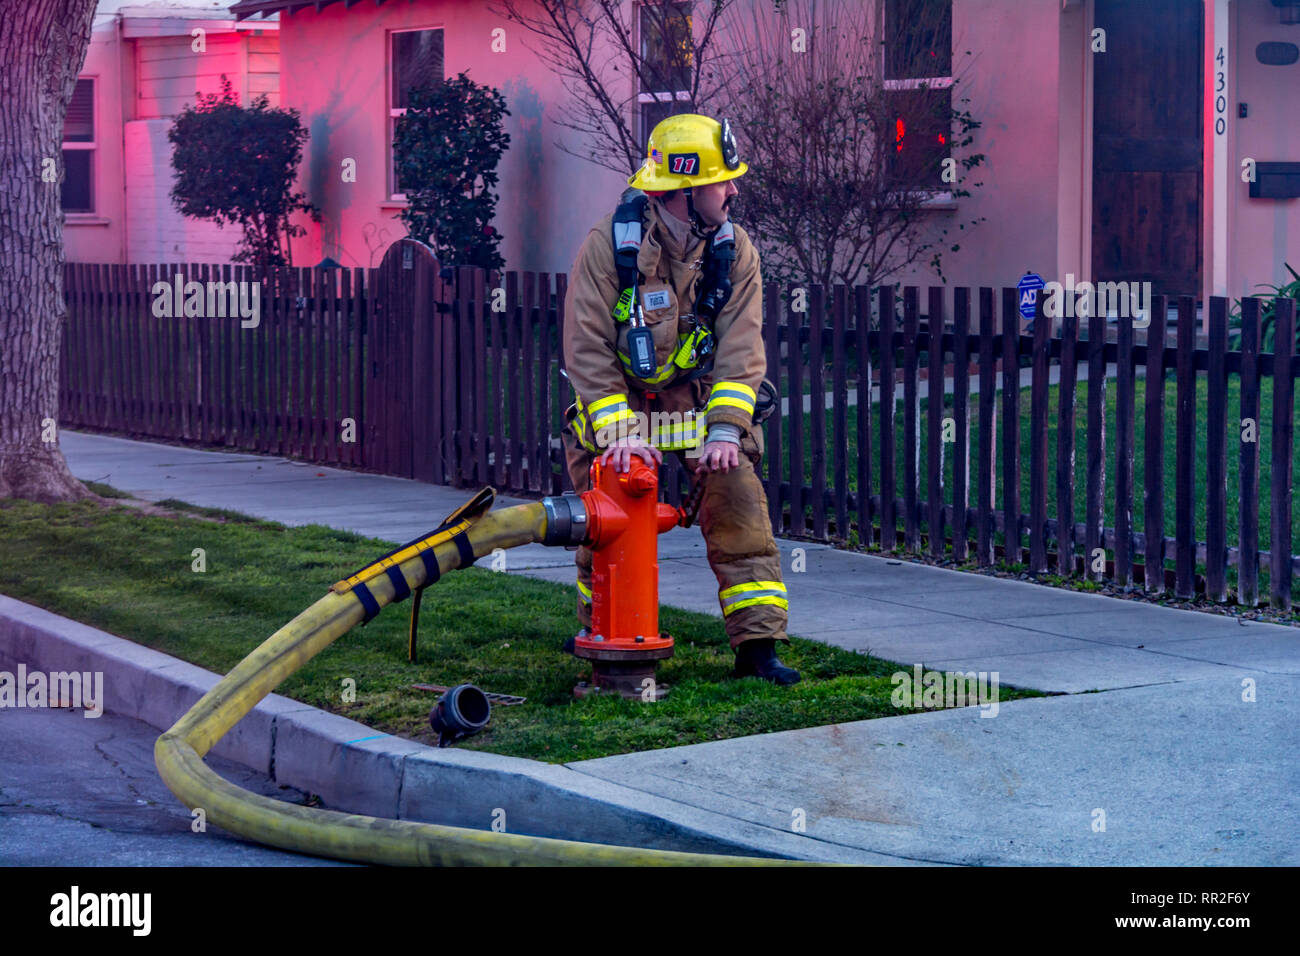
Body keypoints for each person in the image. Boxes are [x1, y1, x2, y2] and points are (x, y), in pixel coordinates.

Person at [560, 113, 799, 685]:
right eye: (723, 181)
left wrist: (723, 430)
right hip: (621, 405)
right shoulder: (607, 248)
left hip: (694, 404)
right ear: (686, 192)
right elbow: (586, 348)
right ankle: (605, 637)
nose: (734, 191)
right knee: (610, 517)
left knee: (738, 498)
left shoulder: (735, 251)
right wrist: (620, 433)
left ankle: (758, 650)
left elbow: (743, 350)